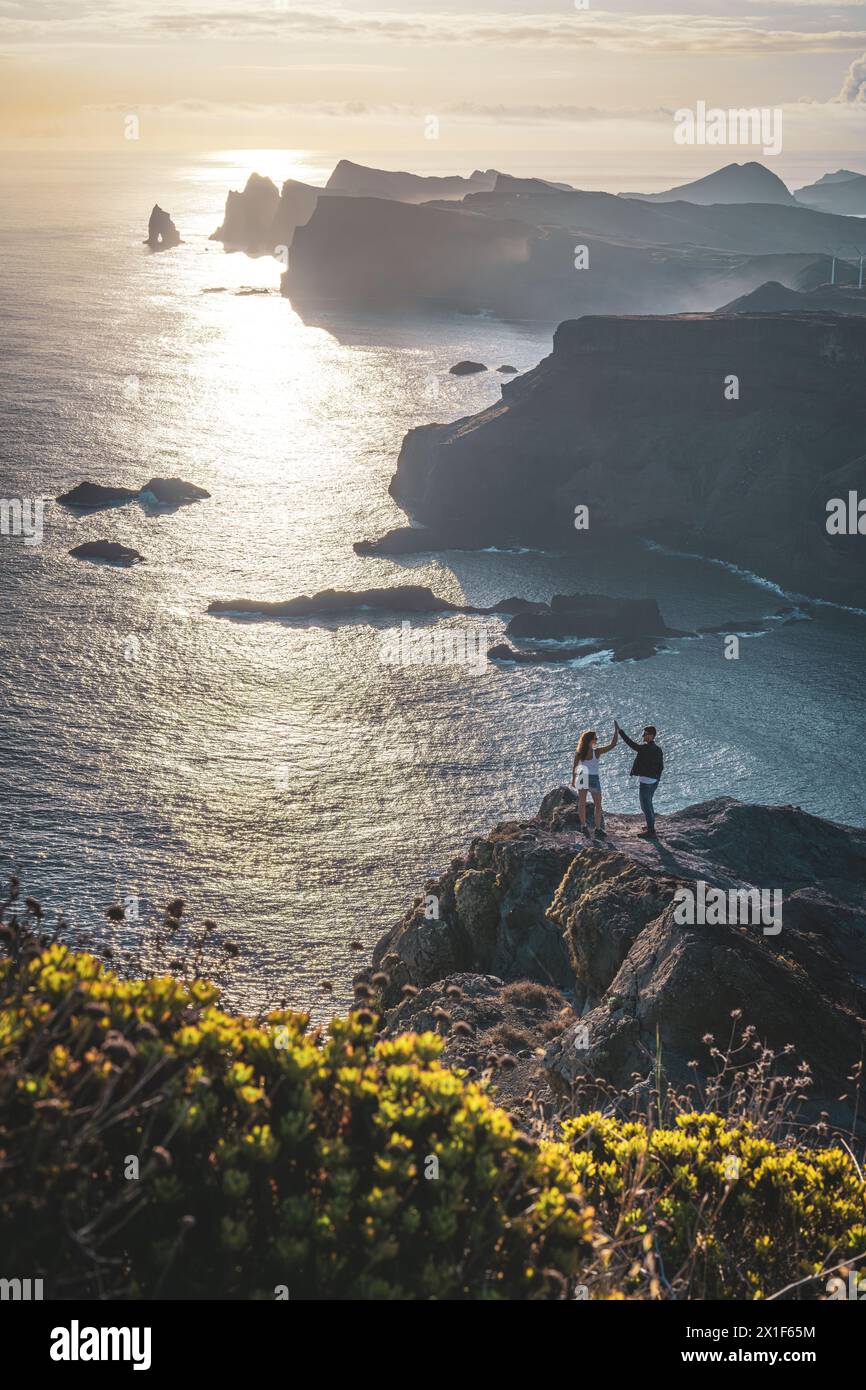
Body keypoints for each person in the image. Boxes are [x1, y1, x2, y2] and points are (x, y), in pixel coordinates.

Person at [614, 720, 663, 837]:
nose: (643, 736)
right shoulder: (658, 749)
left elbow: (631, 744)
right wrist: (657, 778)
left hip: (646, 782)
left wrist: (620, 731)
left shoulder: (646, 748)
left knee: (645, 805)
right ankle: (650, 826)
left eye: (645, 734)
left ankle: (651, 832)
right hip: (654, 781)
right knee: (649, 803)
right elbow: (661, 766)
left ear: (651, 735)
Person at [571, 726, 618, 837]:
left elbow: (574, 768)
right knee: (598, 805)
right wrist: (616, 731)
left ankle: (584, 827)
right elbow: (613, 744)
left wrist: (573, 781)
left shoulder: (579, 753)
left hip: (582, 776)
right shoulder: (597, 752)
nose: (597, 740)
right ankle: (597, 829)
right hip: (592, 778)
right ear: (590, 740)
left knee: (581, 804)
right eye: (595, 738)